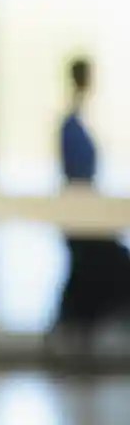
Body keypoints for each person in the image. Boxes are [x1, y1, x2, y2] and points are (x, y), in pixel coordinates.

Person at [52, 57, 130, 355]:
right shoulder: (70, 125)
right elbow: (75, 175)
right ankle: (72, 339)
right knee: (96, 271)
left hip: (88, 214)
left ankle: (75, 339)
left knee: (89, 275)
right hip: (79, 216)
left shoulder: (78, 122)